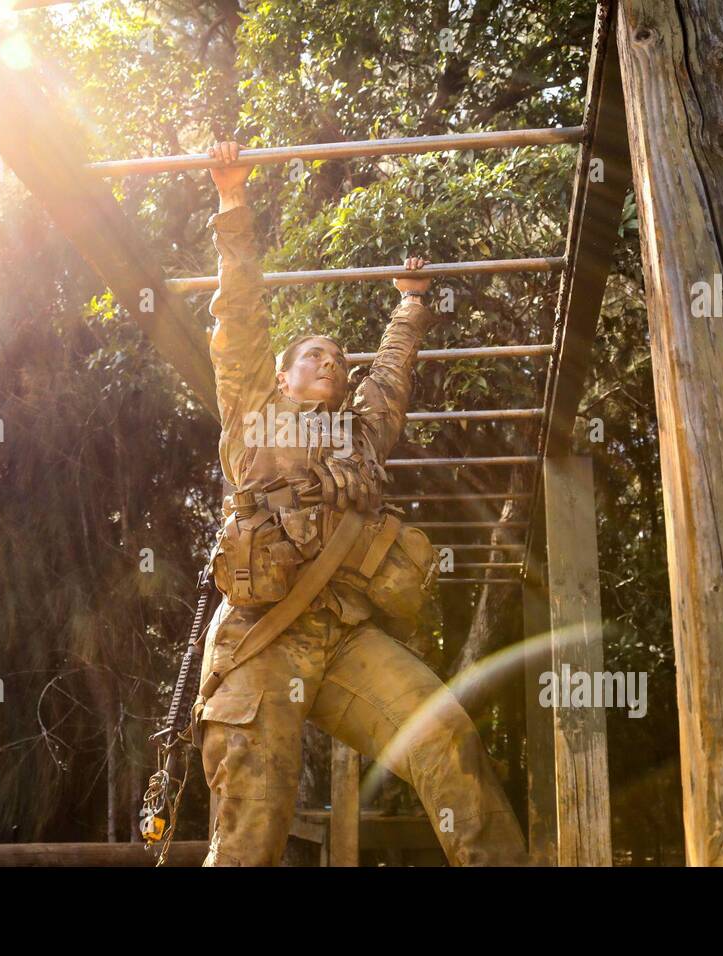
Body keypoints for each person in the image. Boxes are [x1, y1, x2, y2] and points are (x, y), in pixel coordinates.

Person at [192, 139, 527, 866]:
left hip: (343, 636)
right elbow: (241, 316)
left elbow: (392, 378)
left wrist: (408, 308)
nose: (331, 361)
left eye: (339, 357)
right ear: (281, 379)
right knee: (254, 822)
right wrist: (232, 201)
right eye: (314, 353)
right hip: (260, 636)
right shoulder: (252, 412)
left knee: (444, 734)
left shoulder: (360, 436)